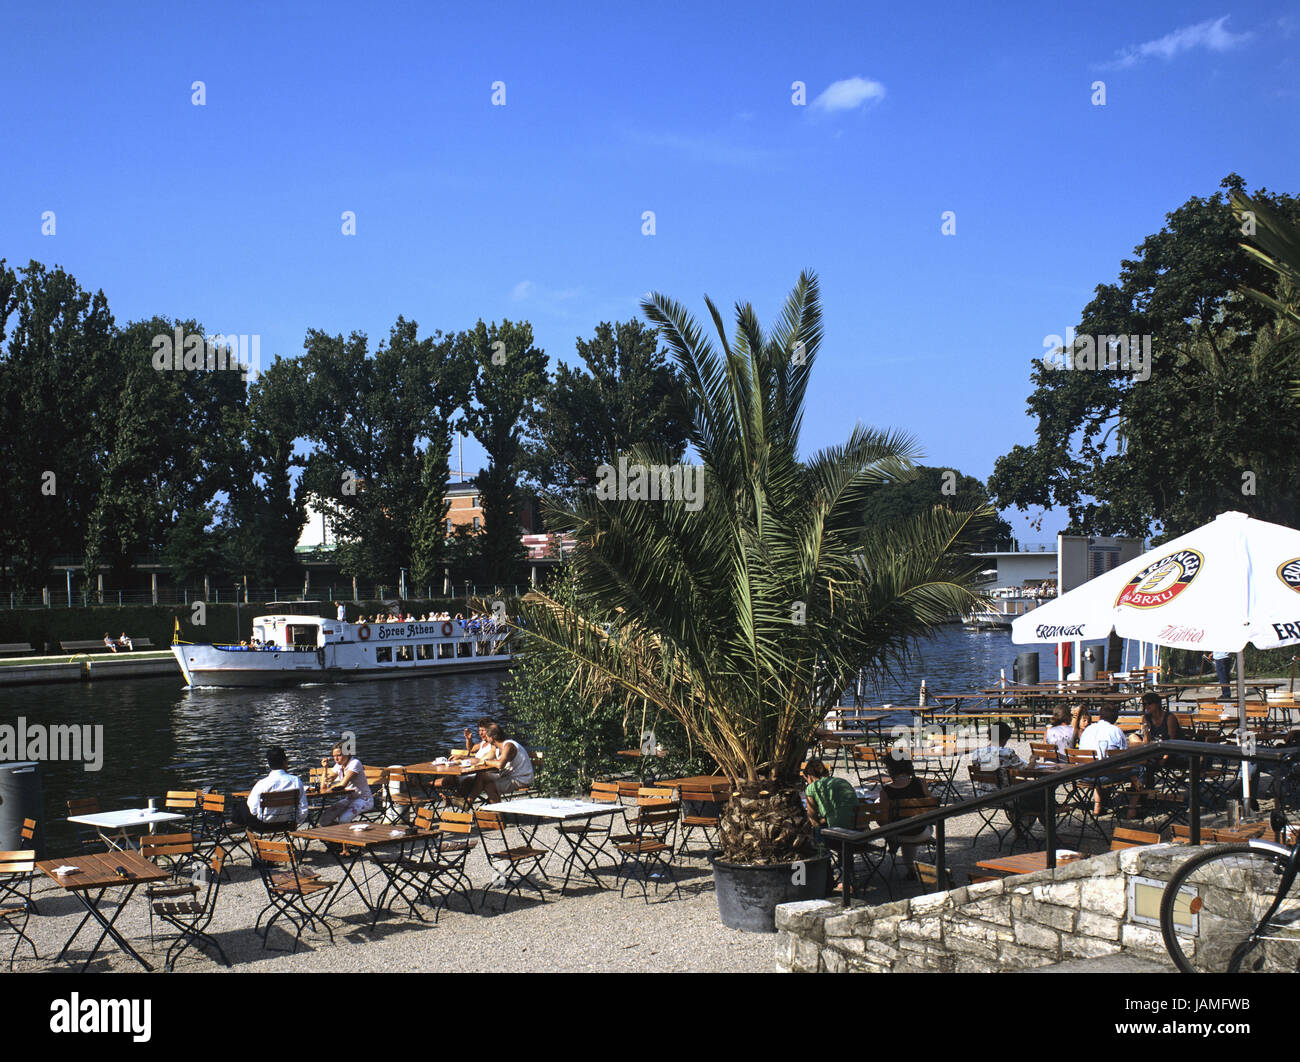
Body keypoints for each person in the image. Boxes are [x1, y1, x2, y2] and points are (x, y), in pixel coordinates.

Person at [1075, 704, 1138, 816]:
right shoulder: (1116, 731)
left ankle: (1098, 806)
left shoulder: (1088, 730)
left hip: (1083, 774)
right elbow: (1125, 756)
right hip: (1103, 776)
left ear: (1099, 716)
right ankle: (1132, 809)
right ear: (1115, 719)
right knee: (1139, 769)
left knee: (1099, 765)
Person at [878, 755, 932, 878]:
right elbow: (931, 806)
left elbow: (883, 821)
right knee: (910, 822)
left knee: (898, 826)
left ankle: (909, 867)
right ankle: (911, 868)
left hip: (899, 835)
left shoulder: (885, 792)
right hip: (922, 831)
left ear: (891, 770)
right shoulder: (921, 783)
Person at [233, 747, 309, 829]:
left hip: (263, 824)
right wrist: (297, 822)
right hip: (285, 822)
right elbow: (303, 808)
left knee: (240, 806)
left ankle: (237, 826)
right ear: (285, 762)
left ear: (269, 764)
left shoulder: (262, 784)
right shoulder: (296, 781)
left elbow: (253, 810)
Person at [467, 724, 534, 802]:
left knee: (490, 786)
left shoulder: (509, 746)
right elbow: (481, 760)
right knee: (482, 775)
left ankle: (498, 813)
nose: (486, 738)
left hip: (522, 778)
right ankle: (468, 802)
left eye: (487, 736)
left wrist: (486, 762)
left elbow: (500, 765)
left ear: (491, 738)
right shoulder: (496, 748)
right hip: (509, 775)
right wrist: (461, 760)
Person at [317, 742, 374, 825]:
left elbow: (342, 784)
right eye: (334, 756)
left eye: (339, 755)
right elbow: (324, 785)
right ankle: (334, 835)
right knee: (324, 819)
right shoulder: (338, 765)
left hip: (364, 799)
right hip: (349, 799)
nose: (336, 759)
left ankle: (346, 836)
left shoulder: (355, 763)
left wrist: (328, 790)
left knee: (344, 819)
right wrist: (325, 768)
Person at [802, 759, 858, 836]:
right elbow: (840, 809)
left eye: (806, 780)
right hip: (859, 824)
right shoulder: (842, 781)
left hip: (839, 830)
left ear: (809, 776)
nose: (807, 783)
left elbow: (813, 818)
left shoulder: (812, 787)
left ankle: (820, 847)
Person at [970, 721, 1025, 786]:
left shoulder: (976, 753)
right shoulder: (1007, 753)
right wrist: (1032, 760)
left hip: (981, 793)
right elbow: (1024, 768)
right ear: (1005, 738)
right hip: (1004, 793)